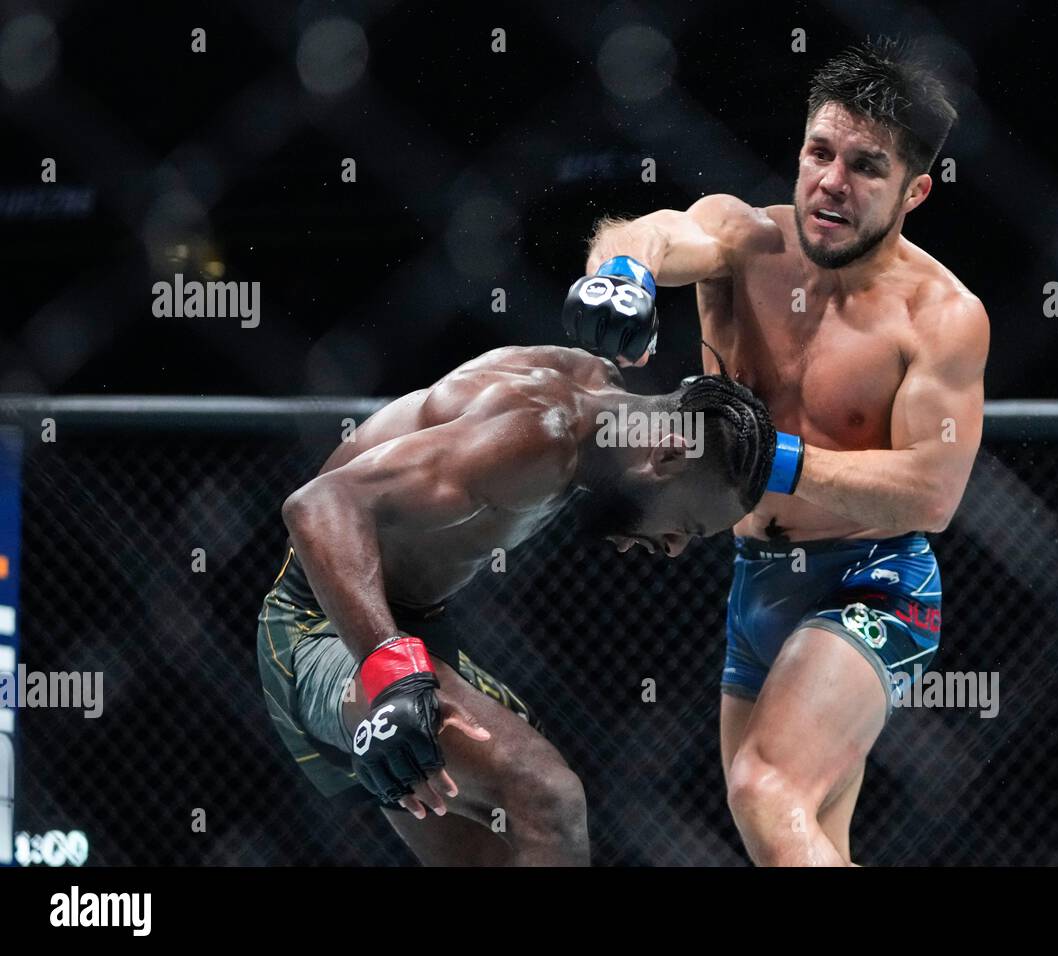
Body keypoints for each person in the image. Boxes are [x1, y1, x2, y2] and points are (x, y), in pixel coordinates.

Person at [562, 39, 989, 865]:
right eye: (820, 152)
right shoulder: (747, 241)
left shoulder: (940, 316)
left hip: (876, 583)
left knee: (766, 788)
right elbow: (653, 229)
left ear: (915, 191)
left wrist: (773, 462)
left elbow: (932, 494)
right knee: (794, 839)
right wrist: (621, 274)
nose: (832, 181)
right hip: (756, 583)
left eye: (867, 166)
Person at [256, 343, 777, 865]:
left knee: (516, 833)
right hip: (325, 625)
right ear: (665, 454)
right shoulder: (537, 437)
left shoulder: (597, 388)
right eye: (685, 527)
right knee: (546, 795)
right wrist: (392, 674)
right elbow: (319, 504)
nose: (673, 549)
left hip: (408, 630)